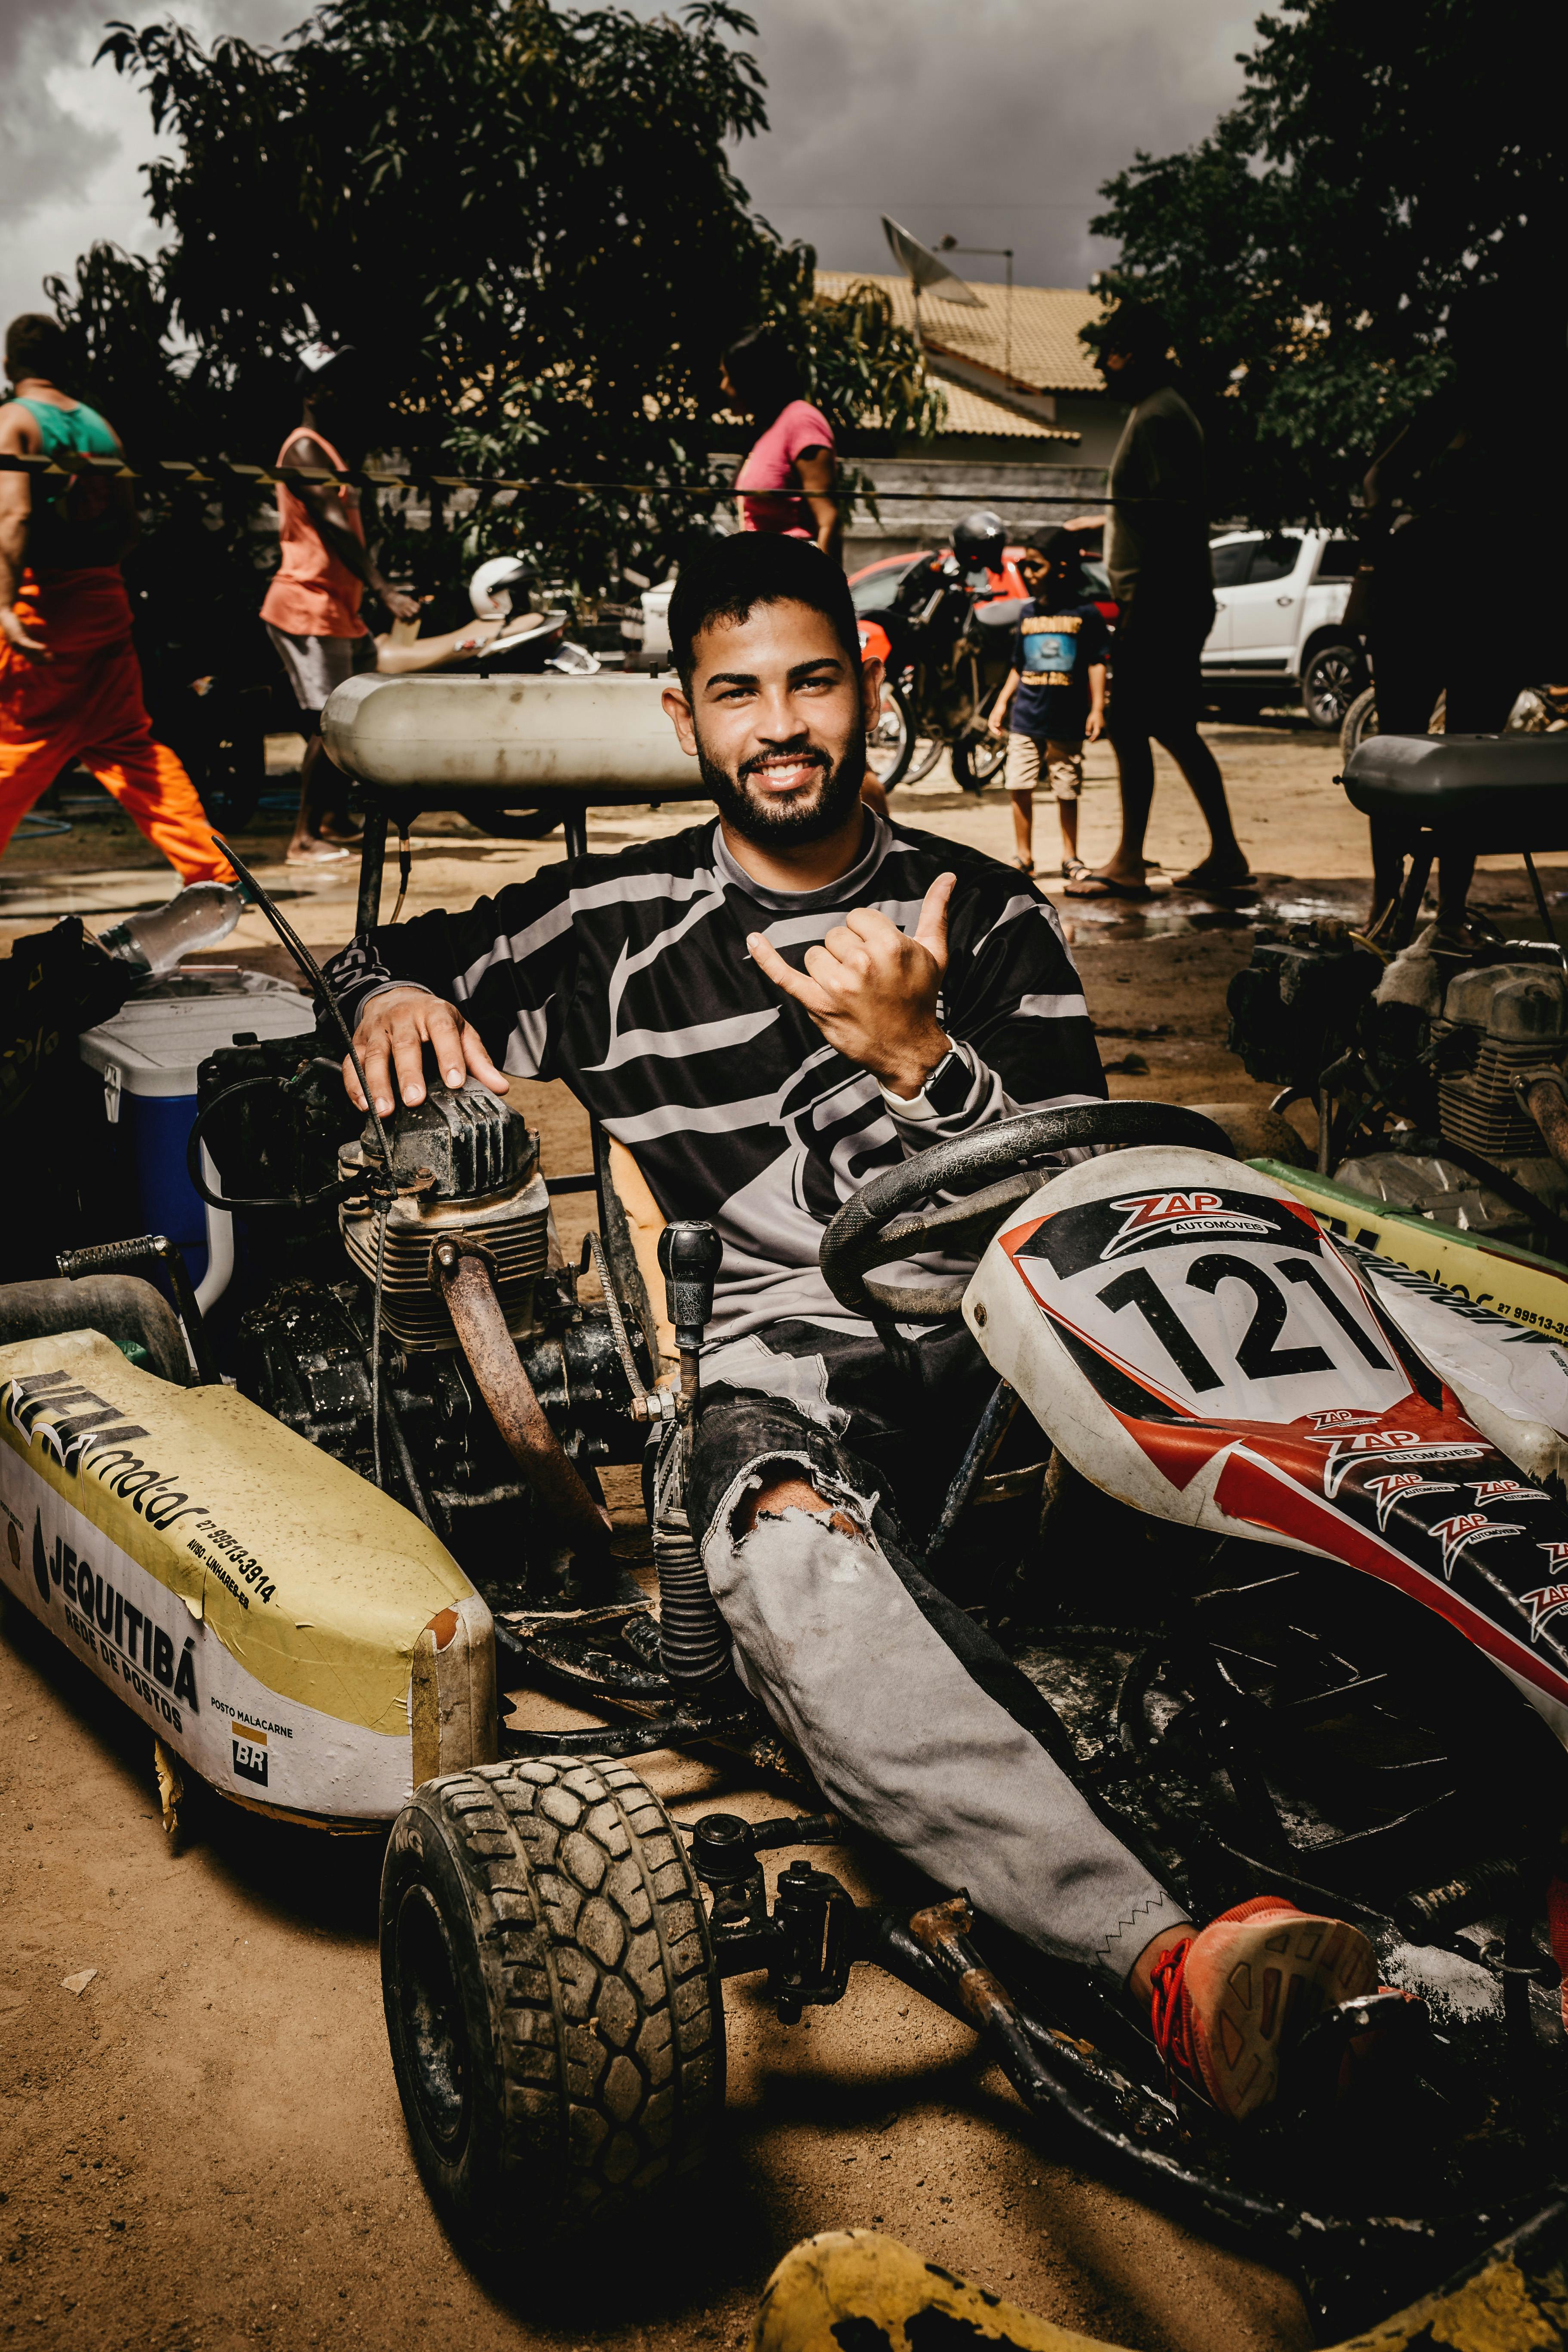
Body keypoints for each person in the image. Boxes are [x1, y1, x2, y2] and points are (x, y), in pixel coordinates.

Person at [326, 531, 1375, 2126]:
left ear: (867, 695)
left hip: (1033, 1341)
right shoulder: (612, 927)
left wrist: (918, 1053)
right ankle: (1157, 1960)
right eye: (736, 692)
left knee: (1346, 1390)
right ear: (685, 720)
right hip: (780, 1367)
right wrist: (387, 998)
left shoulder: (990, 913)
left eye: (812, 680)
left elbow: (1082, 1188)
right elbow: (389, 956)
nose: (779, 723)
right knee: (778, 1535)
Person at [1357, 293, 1565, 944]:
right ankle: (1423, 912)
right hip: (1482, 594)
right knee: (1456, 755)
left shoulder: (1473, 407)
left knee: (1421, 755)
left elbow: (1378, 478)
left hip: (1446, 587)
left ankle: (1408, 910)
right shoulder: (1527, 411)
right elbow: (1379, 477)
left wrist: (1381, 529)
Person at [0, 313, 233, 886]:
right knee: (133, 747)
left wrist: (4, 603)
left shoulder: (14, 421)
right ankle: (215, 873)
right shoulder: (103, 430)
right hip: (104, 601)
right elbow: (130, 529)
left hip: (43, 608)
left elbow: (15, 513)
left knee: (12, 747)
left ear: (10, 367)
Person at [1066, 301, 1250, 903]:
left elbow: (1175, 518)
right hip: (1169, 595)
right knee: (1171, 724)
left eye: (1112, 352)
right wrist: (1106, 525)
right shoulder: (1159, 412)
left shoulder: (1160, 417)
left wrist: (1147, 606)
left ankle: (1128, 863)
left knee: (1127, 722)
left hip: (1163, 598)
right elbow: (1162, 509)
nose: (1103, 364)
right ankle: (1225, 852)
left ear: (1139, 353)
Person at [260, 341, 419, 866]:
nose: (342, 391)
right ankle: (303, 839)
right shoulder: (304, 449)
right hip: (307, 605)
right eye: (331, 382)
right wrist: (384, 589)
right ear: (310, 391)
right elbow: (332, 525)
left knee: (349, 713)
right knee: (327, 723)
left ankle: (333, 819)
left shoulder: (328, 450)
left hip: (333, 607)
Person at [987, 528, 1109, 877]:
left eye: (1036, 567)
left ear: (1062, 568)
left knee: (1066, 786)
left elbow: (1097, 660)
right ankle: (1023, 857)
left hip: (1067, 720)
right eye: (1025, 566)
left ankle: (1071, 857)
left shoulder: (1086, 613)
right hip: (1025, 717)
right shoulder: (1027, 614)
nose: (1028, 574)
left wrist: (1097, 708)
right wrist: (1002, 704)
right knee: (1019, 785)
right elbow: (1019, 666)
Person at [724, 326, 842, 565]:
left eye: (728, 376)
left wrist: (826, 597)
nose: (723, 386)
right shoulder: (768, 430)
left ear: (750, 379)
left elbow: (828, 519)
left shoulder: (801, 421)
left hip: (793, 582)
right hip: (762, 580)